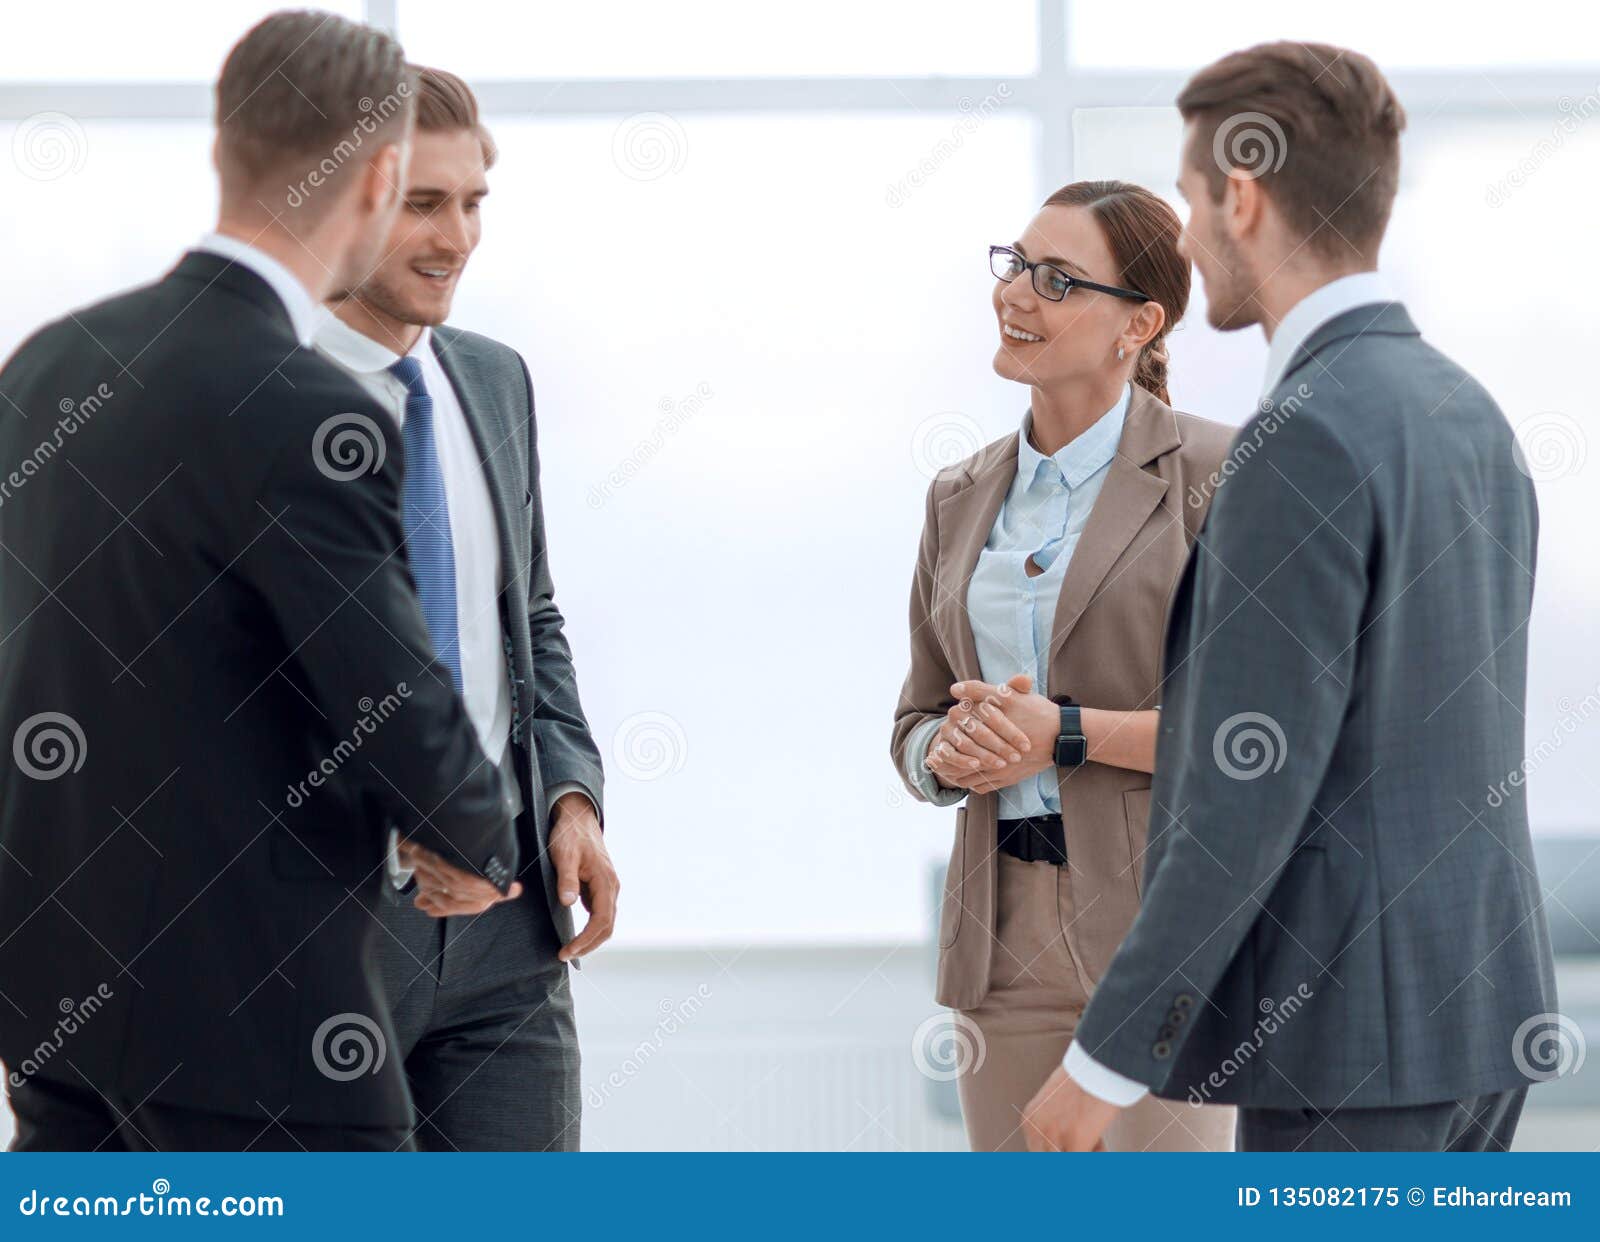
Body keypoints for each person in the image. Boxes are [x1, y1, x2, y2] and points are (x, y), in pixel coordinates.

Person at [1018, 42, 1557, 1153]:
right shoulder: (1466, 411)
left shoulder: (1301, 437)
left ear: (1244, 196)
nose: (1187, 234)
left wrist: (1099, 1063)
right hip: (1481, 1013)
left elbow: (1239, 791)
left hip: (1350, 1043)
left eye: (1188, 196)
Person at [0, 12, 519, 1151]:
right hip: (254, 1018)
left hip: (53, 999)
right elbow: (385, 686)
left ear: (226, 149)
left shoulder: (52, 363)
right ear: (380, 177)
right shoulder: (301, 406)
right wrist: (475, 834)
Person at [891, 180, 1236, 1151]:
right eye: (1013, 265)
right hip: (1001, 931)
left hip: (1159, 927)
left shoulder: (1218, 475)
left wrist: (1064, 733)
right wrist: (943, 754)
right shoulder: (957, 495)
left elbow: (1254, 738)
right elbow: (911, 720)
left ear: (1140, 324)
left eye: (1055, 279)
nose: (1014, 295)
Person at [315, 65, 617, 1152]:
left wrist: (571, 798)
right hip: (321, 935)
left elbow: (528, 622)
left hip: (508, 932)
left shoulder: (492, 380)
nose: (458, 239)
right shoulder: (240, 400)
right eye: (421, 205)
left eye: (473, 202)